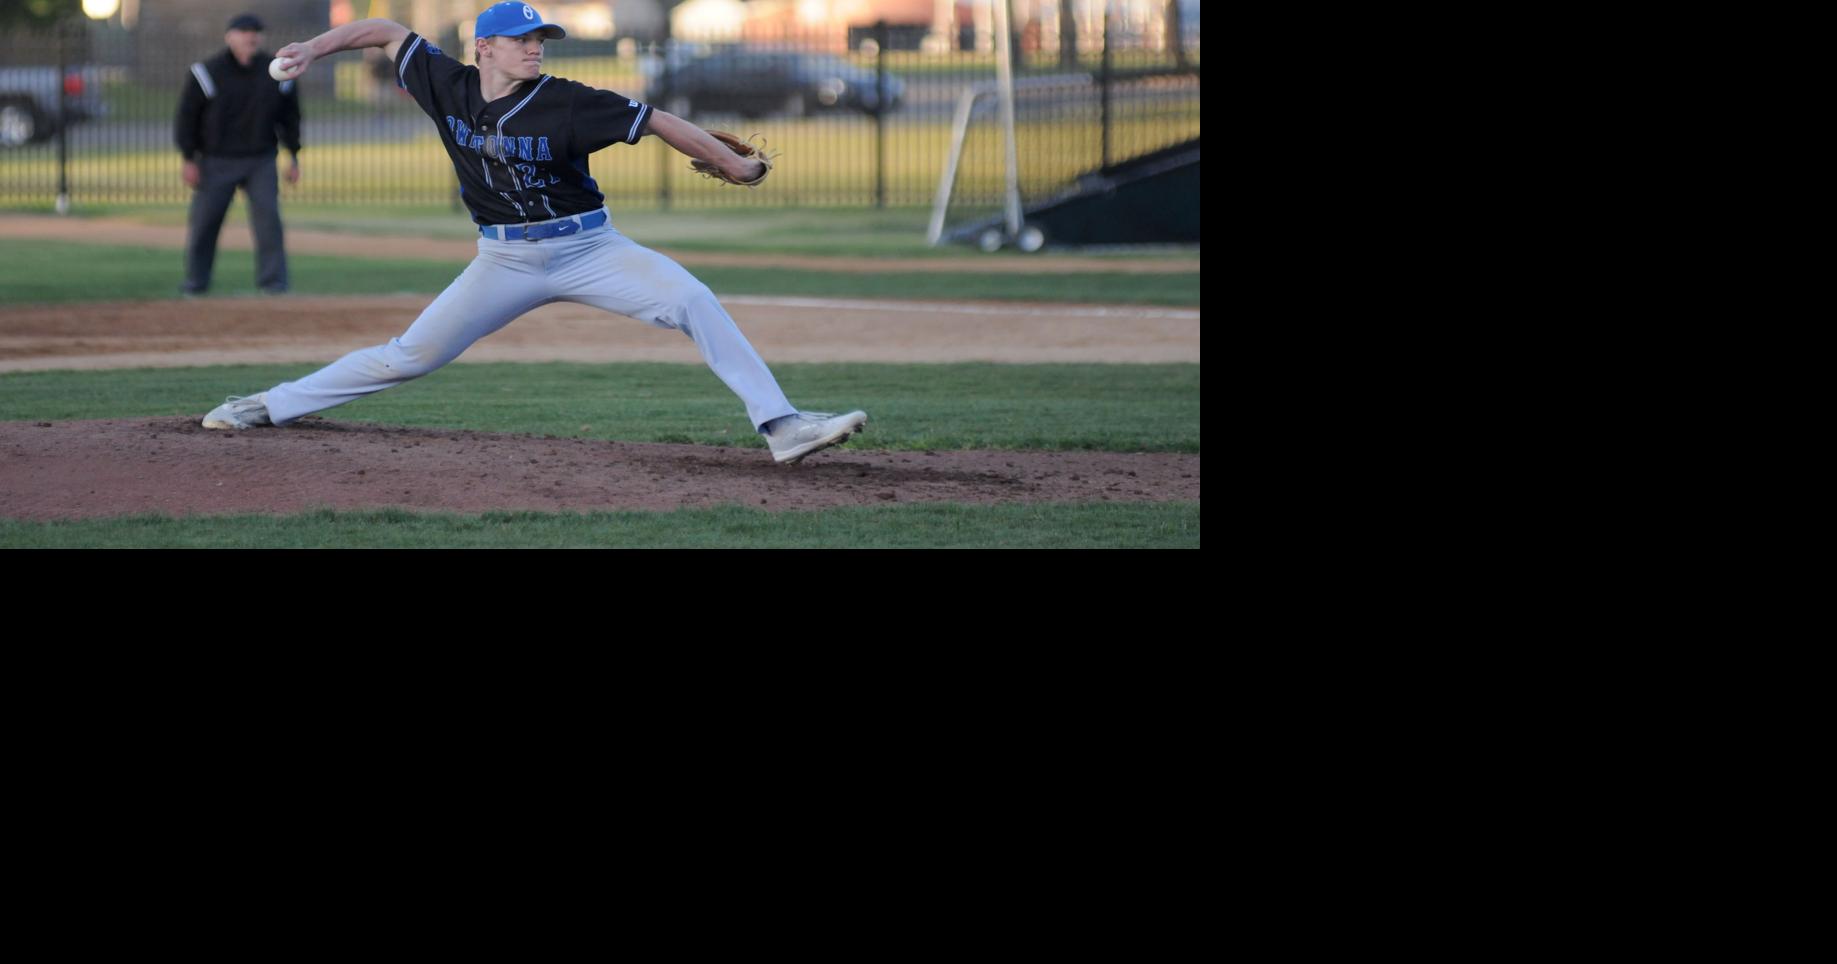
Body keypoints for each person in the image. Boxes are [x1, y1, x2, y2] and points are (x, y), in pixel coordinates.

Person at [201, 2, 866, 465]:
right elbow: (384, 29)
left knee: (692, 300)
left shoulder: (568, 100)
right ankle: (265, 405)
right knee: (408, 356)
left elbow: (657, 118)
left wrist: (734, 163)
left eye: (539, 37)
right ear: (483, 47)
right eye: (522, 38)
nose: (534, 46)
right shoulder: (447, 84)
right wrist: (315, 46)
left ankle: (782, 426)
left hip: (590, 248)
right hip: (504, 260)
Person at [175, 12, 302, 296]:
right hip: (216, 159)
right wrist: (188, 158)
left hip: (260, 158)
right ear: (229, 36)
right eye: (244, 31)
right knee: (205, 223)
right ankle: (196, 283)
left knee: (269, 221)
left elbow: (290, 118)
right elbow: (187, 118)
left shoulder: (276, 72)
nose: (250, 36)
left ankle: (274, 284)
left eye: (255, 31)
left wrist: (293, 156)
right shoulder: (207, 72)